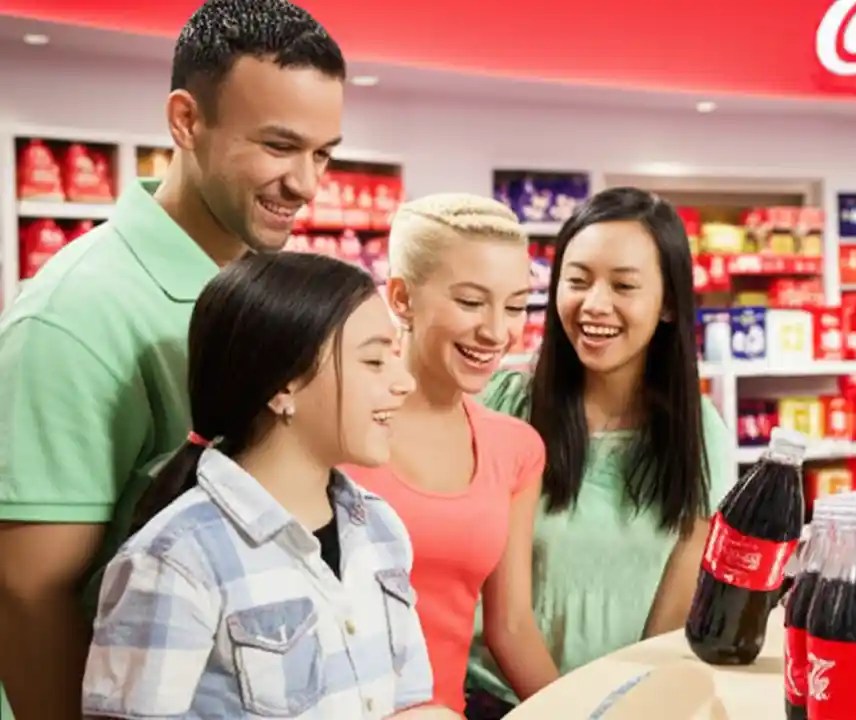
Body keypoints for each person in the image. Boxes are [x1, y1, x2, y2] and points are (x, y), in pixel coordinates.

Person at [0, 1, 346, 717]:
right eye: (280, 146)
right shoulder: (74, 315)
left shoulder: (262, 292)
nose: (308, 184)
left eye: (323, 153)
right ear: (186, 122)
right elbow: (26, 591)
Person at [81, 252, 458, 719]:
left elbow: (406, 702)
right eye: (375, 361)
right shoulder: (177, 560)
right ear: (285, 386)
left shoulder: (379, 528)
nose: (403, 383)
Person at [464, 187, 736, 717]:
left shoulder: (698, 432)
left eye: (624, 285)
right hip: (503, 703)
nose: (594, 305)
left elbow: (671, 624)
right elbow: (506, 622)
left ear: (669, 305)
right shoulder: (507, 405)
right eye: (578, 279)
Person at [344, 194, 560, 716]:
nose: (496, 331)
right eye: (470, 302)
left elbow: (510, 629)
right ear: (401, 298)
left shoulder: (515, 449)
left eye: (514, 306)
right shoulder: (334, 430)